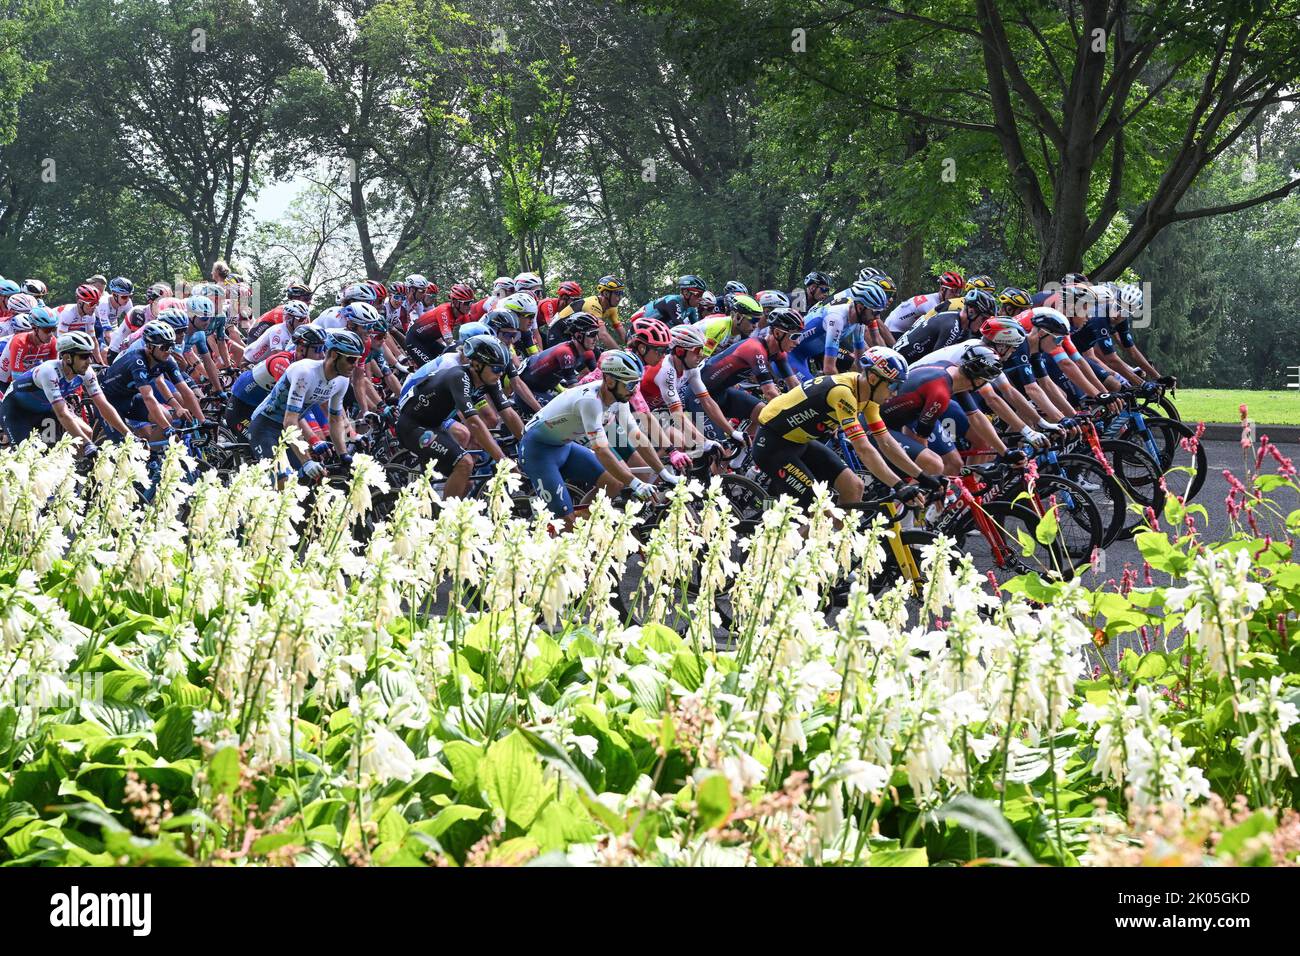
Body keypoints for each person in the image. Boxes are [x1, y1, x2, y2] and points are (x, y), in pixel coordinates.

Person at [754, 347, 935, 507]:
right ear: (873, 378)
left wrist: (923, 477)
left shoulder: (867, 396)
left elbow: (886, 442)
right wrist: (898, 486)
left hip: (800, 442)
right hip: (773, 445)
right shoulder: (843, 392)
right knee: (821, 512)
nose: (895, 392)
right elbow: (864, 450)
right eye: (893, 385)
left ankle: (839, 545)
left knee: (854, 486)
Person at [519, 349, 671, 524]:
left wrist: (663, 472)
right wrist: (636, 484)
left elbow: (636, 437)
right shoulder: (590, 401)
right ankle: (565, 533)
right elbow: (602, 450)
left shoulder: (618, 399)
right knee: (566, 522)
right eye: (630, 385)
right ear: (610, 380)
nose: (634, 390)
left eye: (636, 383)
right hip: (537, 451)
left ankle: (585, 530)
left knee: (614, 483)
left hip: (563, 447)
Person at [395, 334, 517, 498]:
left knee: (467, 482)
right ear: (477, 364)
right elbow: (473, 422)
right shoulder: (459, 376)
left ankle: (438, 511)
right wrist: (502, 459)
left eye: (502, 369)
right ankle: (444, 521)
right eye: (496, 369)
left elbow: (508, 413)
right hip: (412, 426)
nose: (500, 374)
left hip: (435, 424)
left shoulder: (490, 381)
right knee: (464, 462)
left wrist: (526, 440)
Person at [246, 330, 360, 473]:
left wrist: (344, 454)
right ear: (335, 355)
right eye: (351, 359)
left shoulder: (342, 380)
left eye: (358, 359)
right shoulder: (305, 372)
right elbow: (290, 420)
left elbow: (335, 420)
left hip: (288, 430)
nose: (355, 364)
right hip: (265, 427)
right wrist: (306, 460)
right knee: (282, 478)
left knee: (307, 478)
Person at [1, 331, 131, 448]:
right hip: (17, 409)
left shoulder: (86, 372)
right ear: (67, 358)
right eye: (84, 356)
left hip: (45, 410)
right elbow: (62, 414)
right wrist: (88, 445)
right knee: (27, 454)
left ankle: (80, 467)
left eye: (90, 355)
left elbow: (103, 405)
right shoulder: (49, 372)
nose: (89, 361)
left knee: (86, 432)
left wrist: (129, 435)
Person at [226, 324, 327, 431]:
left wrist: (326, 429)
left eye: (324, 349)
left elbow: (316, 402)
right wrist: (316, 433)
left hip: (261, 408)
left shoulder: (305, 369)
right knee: (259, 441)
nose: (323, 355)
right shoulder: (282, 363)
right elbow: (297, 404)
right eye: (319, 349)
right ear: (302, 349)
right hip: (242, 406)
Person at [789, 281, 889, 380]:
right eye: (875, 312)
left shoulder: (859, 321)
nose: (877, 317)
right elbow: (829, 369)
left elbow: (859, 361)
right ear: (860, 307)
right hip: (790, 354)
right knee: (808, 394)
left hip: (804, 356)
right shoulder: (836, 318)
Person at [894, 288, 997, 364]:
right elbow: (936, 364)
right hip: (899, 364)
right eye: (984, 319)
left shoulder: (955, 319)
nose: (984, 324)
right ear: (971, 312)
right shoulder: (952, 327)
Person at [554, 275, 626, 349]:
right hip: (557, 333)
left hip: (572, 336)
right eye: (617, 293)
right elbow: (603, 335)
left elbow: (621, 332)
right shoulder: (593, 305)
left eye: (622, 293)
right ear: (606, 294)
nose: (620, 297)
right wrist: (622, 353)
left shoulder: (612, 309)